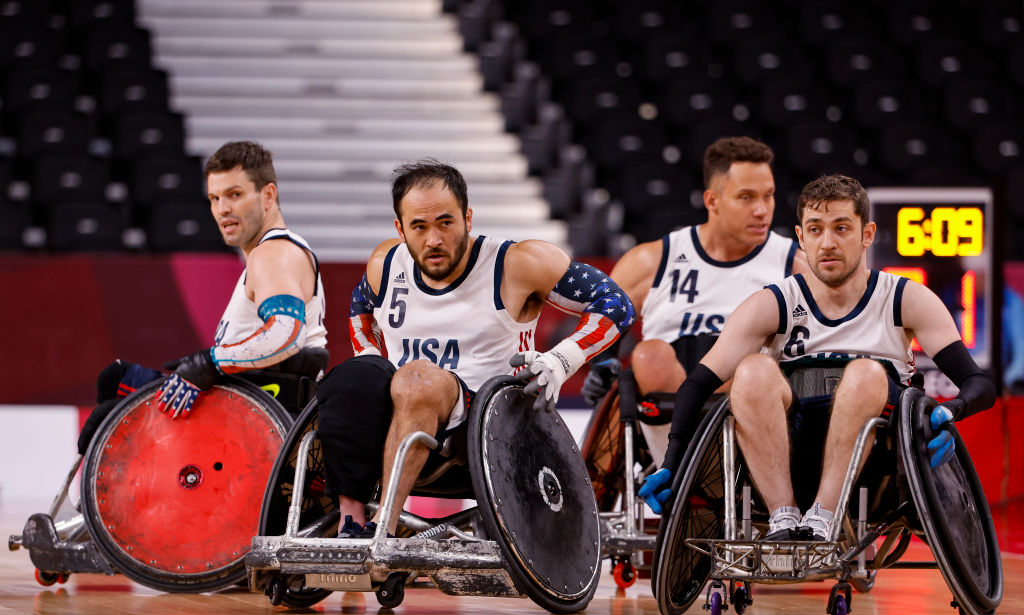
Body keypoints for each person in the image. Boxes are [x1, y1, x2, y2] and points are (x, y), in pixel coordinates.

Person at [638, 174, 995, 542]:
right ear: (801, 237)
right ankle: (784, 518)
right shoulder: (772, 303)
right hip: (789, 452)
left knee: (865, 373)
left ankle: (823, 517)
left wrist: (951, 411)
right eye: (815, 229)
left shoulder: (905, 298)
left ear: (867, 234)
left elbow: (978, 383)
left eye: (841, 228)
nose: (827, 243)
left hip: (877, 458)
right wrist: (672, 463)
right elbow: (698, 383)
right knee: (752, 369)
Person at [316, 159, 634, 536]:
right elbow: (360, 308)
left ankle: (384, 527)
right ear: (400, 229)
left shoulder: (517, 262)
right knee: (350, 377)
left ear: (468, 219)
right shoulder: (386, 263)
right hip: (401, 417)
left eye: (445, 223)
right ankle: (351, 521)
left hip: (489, 425)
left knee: (418, 379)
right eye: (419, 227)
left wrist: (562, 359)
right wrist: (369, 358)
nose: (434, 239)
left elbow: (616, 304)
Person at [78, 141, 328, 453]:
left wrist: (208, 364)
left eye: (234, 195)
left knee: (115, 398)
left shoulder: (273, 253)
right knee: (119, 381)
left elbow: (285, 335)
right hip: (250, 407)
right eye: (214, 198)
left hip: (257, 419)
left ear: (267, 196)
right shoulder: (270, 255)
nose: (223, 209)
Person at [581, 136, 807, 463]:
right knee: (649, 354)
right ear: (712, 201)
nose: (761, 210)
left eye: (768, 195)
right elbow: (599, 324)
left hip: (748, 404)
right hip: (664, 401)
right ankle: (676, 470)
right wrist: (601, 366)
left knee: (750, 366)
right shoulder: (653, 260)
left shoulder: (795, 265)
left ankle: (700, 471)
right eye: (746, 197)